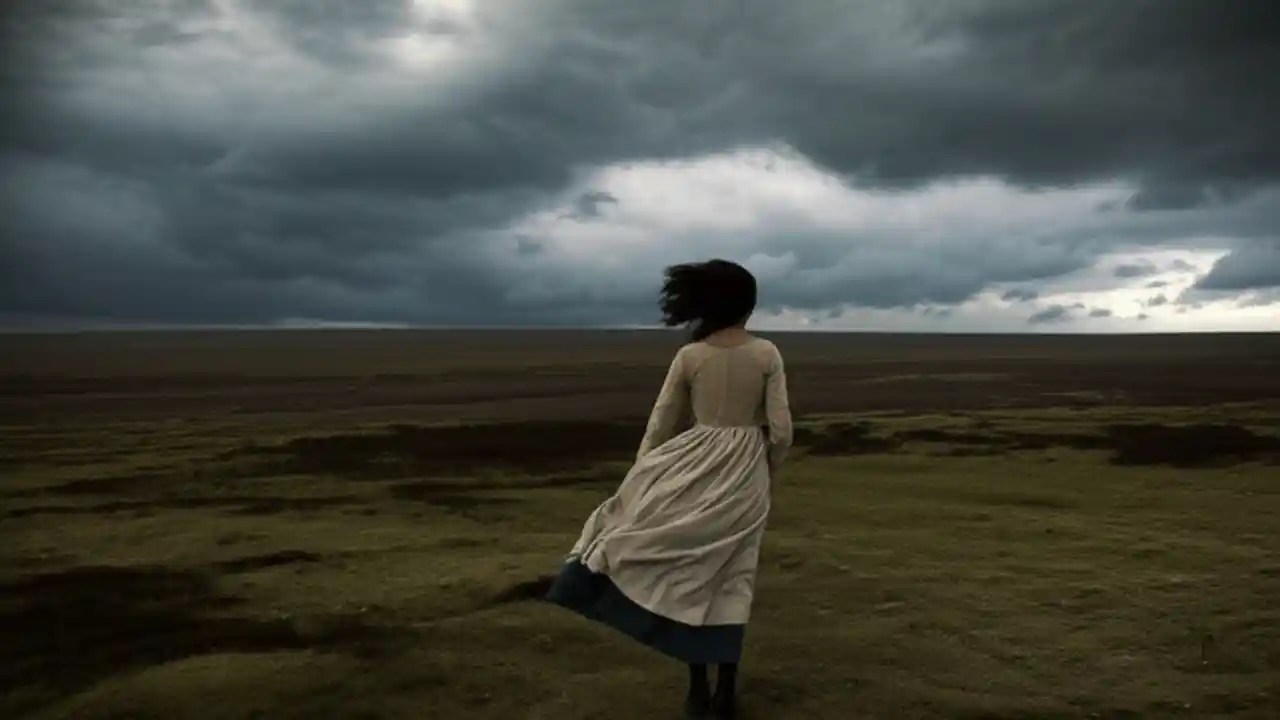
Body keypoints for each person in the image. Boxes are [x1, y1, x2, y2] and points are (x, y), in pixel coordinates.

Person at [546, 259, 793, 719]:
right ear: (747, 305)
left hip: (692, 463)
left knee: (689, 571)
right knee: (733, 576)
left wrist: (645, 473)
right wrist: (768, 469)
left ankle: (697, 688)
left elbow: (662, 420)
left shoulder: (691, 356)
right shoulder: (766, 354)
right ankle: (726, 692)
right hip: (744, 471)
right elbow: (780, 430)